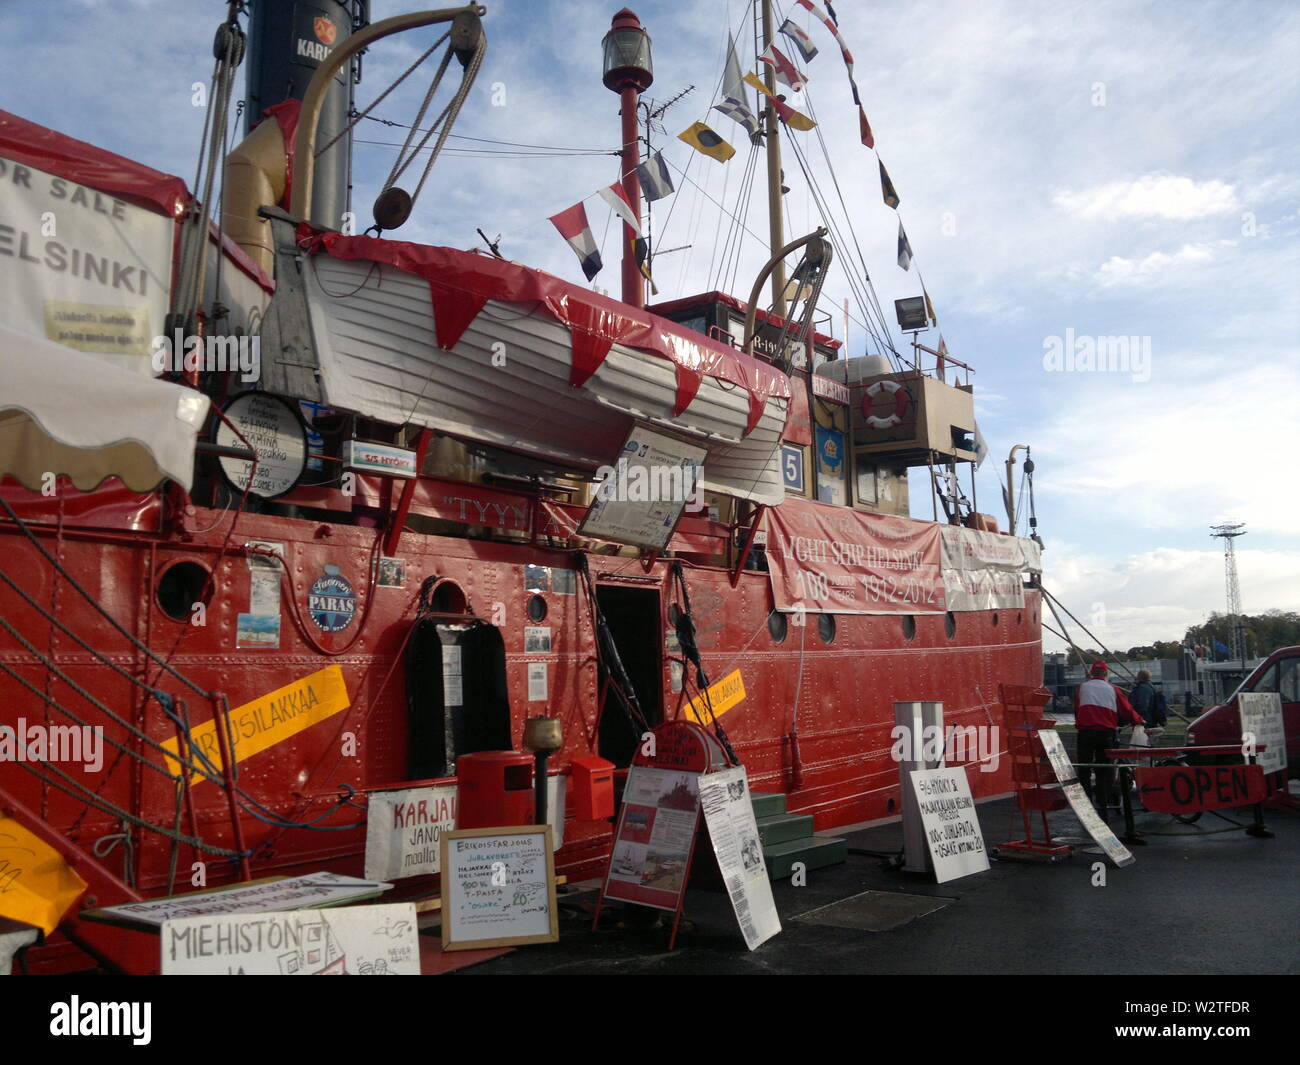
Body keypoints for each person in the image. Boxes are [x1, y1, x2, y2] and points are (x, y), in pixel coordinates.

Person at [1074, 660, 1144, 811]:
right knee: (1104, 767)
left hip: (1085, 732)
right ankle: (1102, 799)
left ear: (1091, 673)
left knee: (1084, 766)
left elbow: (1077, 709)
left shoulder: (1082, 688)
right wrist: (1139, 720)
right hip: (1105, 732)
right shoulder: (1112, 689)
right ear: (1106, 674)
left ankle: (1085, 802)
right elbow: (1126, 709)